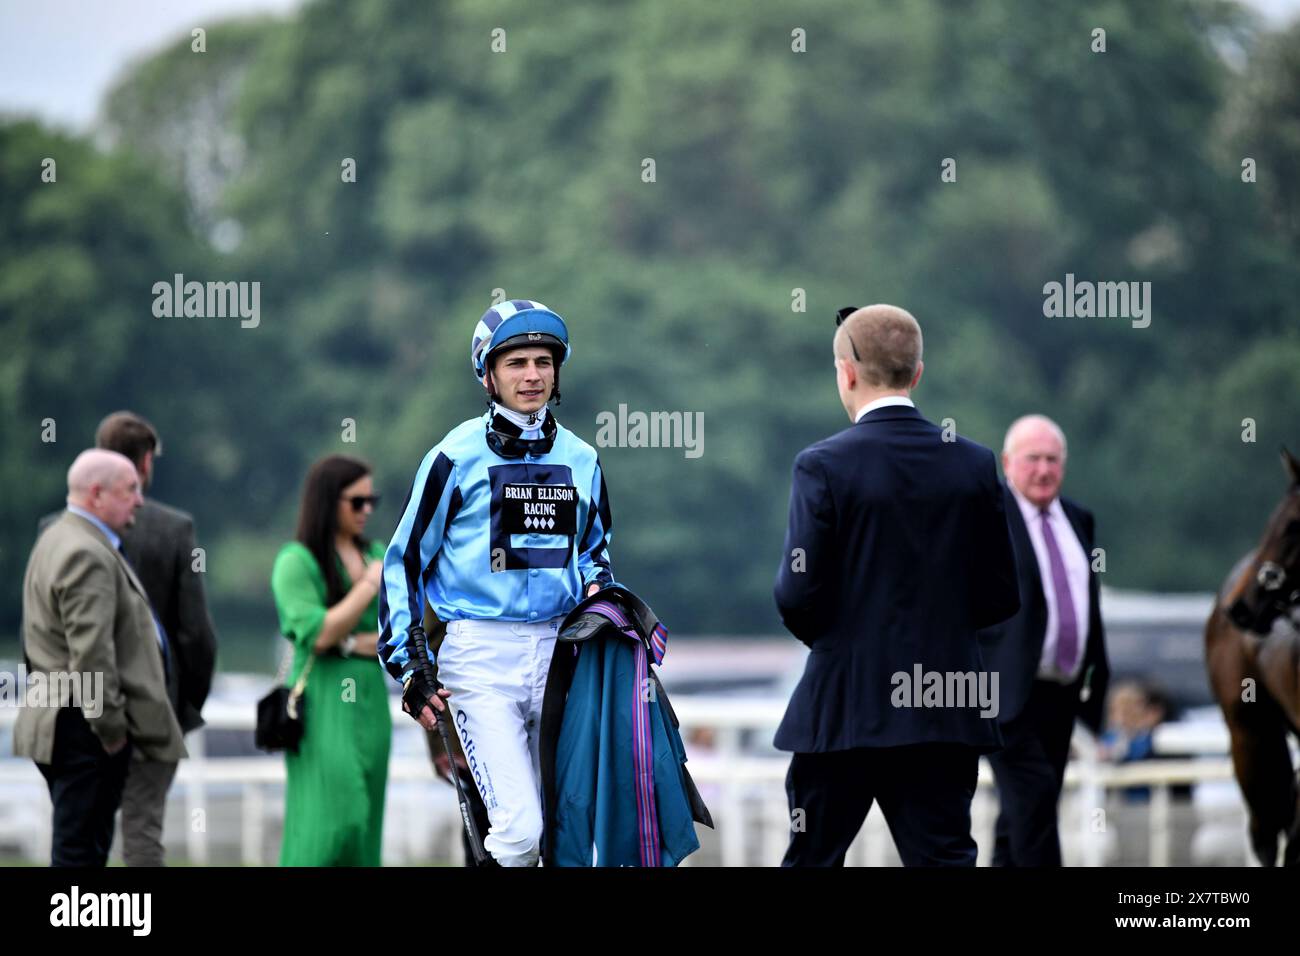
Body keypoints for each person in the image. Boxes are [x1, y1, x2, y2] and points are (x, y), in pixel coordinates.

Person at [774, 304, 1020, 867]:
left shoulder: (822, 464)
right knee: (945, 860)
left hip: (846, 704)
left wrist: (841, 643)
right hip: (945, 706)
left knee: (813, 858)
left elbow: (795, 593)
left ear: (846, 372)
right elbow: (1001, 595)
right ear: (917, 373)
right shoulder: (975, 463)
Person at [380, 299, 615, 867]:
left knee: (567, 833)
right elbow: (404, 561)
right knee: (519, 831)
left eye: (542, 362)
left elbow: (596, 558)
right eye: (516, 363)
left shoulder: (582, 458)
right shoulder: (452, 457)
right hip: (479, 656)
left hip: (563, 653)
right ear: (488, 374)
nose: (532, 375)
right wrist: (410, 664)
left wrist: (599, 600)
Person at [16, 449, 184, 866]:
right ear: (96, 494)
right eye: (130, 490)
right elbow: (91, 657)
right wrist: (111, 731)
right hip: (84, 728)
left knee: (81, 846)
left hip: (68, 718)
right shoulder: (86, 553)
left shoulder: (59, 537)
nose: (140, 500)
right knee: (80, 853)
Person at [978, 414, 1110, 866]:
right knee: (1033, 800)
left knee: (1023, 815)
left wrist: (1097, 701)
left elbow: (1089, 608)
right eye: (1032, 459)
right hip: (1004, 696)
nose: (1043, 469)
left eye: (1053, 460)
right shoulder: (988, 516)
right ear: (1008, 462)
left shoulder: (1078, 518)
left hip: (1061, 695)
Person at [95, 411, 216, 866]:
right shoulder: (174, 529)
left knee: (81, 830)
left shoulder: (58, 530)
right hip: (154, 708)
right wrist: (185, 706)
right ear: (145, 463)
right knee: (143, 833)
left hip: (82, 706)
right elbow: (196, 634)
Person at [270, 455, 392, 866]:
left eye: (371, 500)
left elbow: (396, 635)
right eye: (356, 501)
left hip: (372, 703)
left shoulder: (377, 551)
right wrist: (367, 586)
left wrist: (347, 639)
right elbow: (318, 633)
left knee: (366, 823)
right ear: (328, 500)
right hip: (323, 702)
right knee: (335, 820)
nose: (367, 510)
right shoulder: (296, 561)